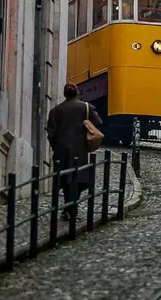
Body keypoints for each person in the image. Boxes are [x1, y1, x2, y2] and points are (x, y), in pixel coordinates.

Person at [46, 83, 103, 221]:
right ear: (77, 93)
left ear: (65, 94)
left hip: (61, 151)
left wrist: (56, 147)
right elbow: (98, 122)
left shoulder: (55, 110)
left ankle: (68, 209)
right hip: (80, 150)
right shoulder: (86, 108)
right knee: (78, 181)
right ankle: (71, 211)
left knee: (66, 180)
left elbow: (51, 134)